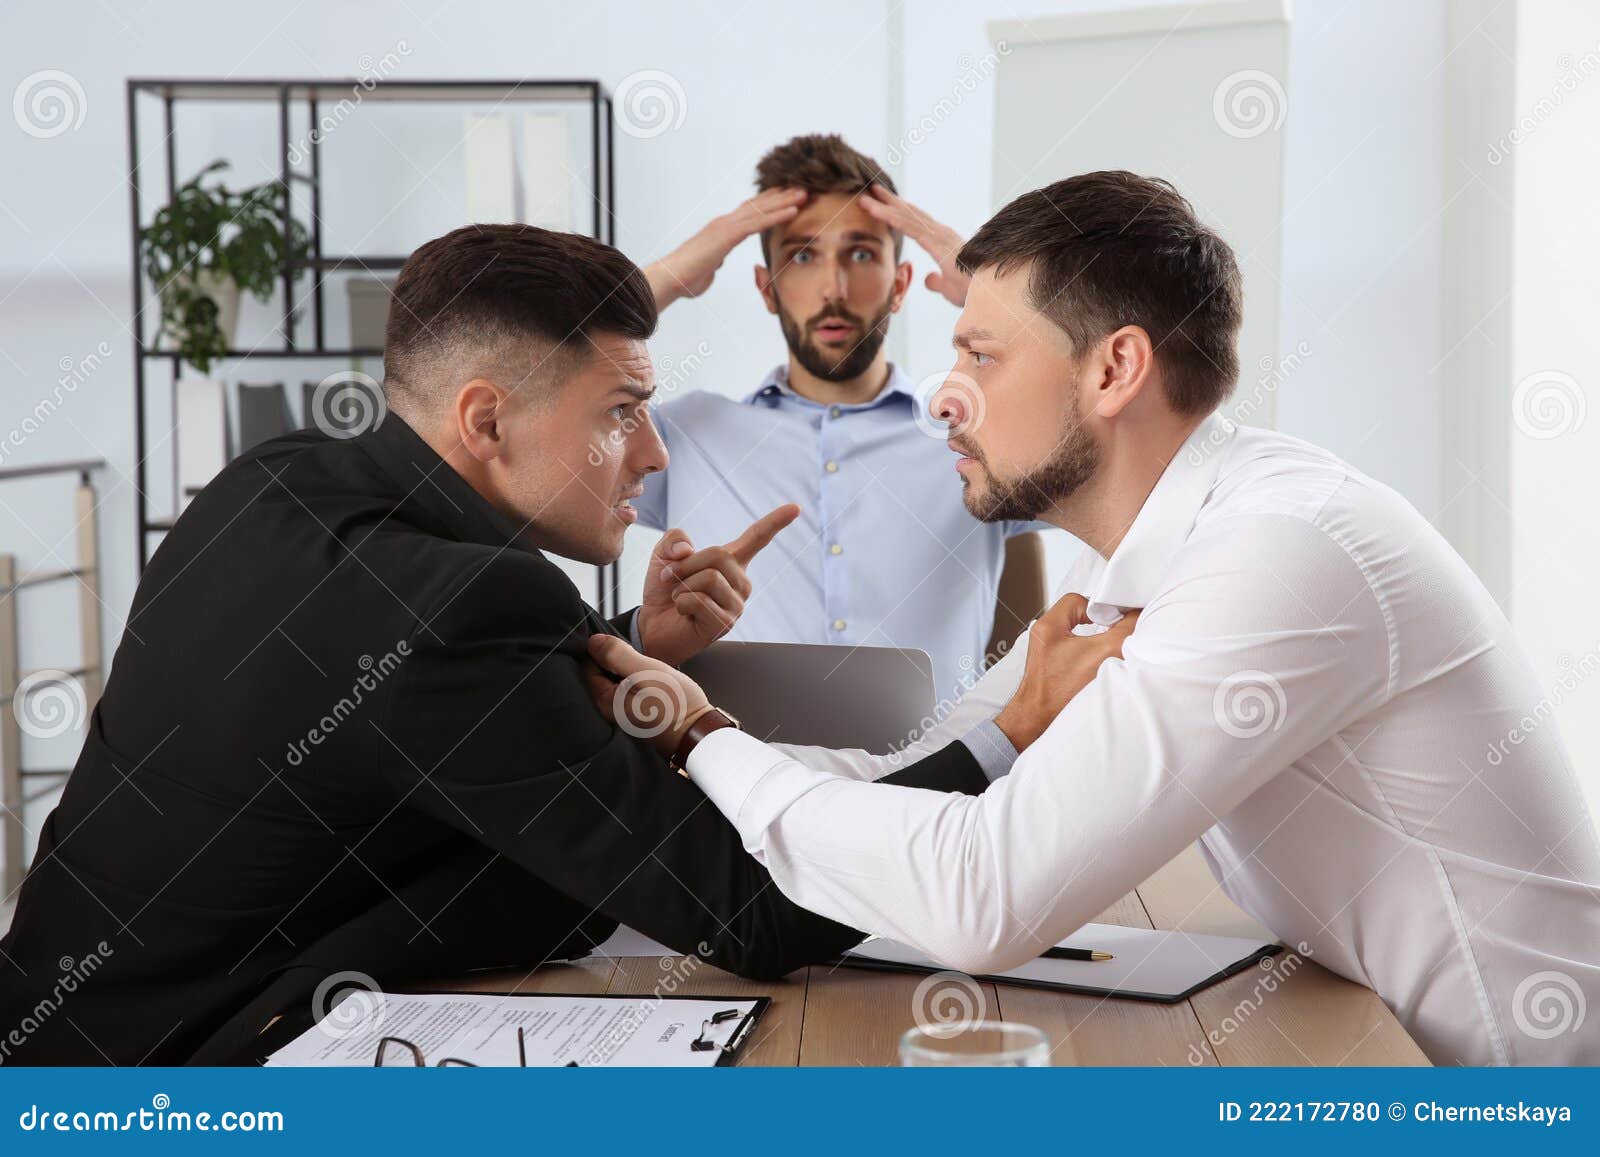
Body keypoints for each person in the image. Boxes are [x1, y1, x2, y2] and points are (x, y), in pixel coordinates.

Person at [589, 171, 1600, 1066]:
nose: (946, 400)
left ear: (1113, 371)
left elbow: (982, 897)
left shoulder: (1280, 549)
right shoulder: (1138, 564)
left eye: (982, 357)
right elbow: (916, 765)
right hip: (1382, 1039)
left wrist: (705, 735)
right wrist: (686, 751)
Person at [0, 224, 1036, 1066]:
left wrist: (639, 642)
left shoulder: (271, 481)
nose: (654, 450)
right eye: (621, 411)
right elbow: (758, 912)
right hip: (171, 1083)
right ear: (486, 420)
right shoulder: (462, 607)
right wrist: (1013, 726)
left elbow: (414, 717)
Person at [633, 134, 1046, 702]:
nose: (834, 288)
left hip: (940, 786)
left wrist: (997, 298)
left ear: (901, 284)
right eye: (802, 256)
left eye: (861, 253)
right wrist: (672, 272)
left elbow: (1116, 431)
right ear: (767, 288)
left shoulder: (977, 430)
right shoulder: (683, 436)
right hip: (727, 783)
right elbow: (532, 393)